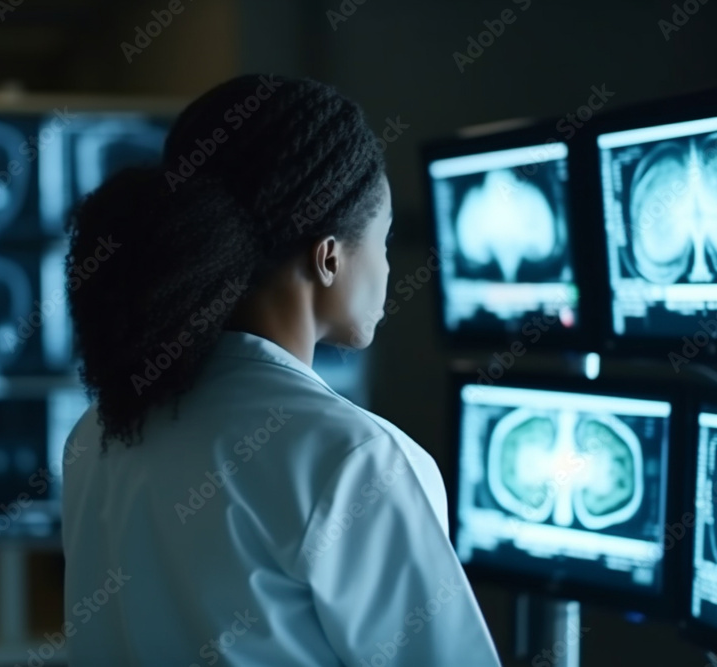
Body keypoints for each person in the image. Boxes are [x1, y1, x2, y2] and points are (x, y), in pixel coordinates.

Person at [61, 73, 501, 666]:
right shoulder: (355, 461)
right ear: (329, 257)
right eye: (386, 239)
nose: (391, 268)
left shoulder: (99, 431)